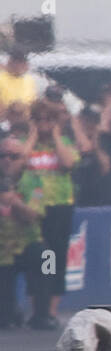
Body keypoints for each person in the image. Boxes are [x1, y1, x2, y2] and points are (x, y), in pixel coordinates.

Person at [22, 100, 79, 328]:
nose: (44, 124)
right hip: (32, 209)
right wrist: (33, 136)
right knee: (36, 258)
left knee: (54, 258)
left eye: (49, 120)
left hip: (59, 207)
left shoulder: (65, 143)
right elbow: (18, 163)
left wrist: (55, 136)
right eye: (39, 120)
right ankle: (37, 308)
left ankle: (51, 309)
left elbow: (67, 163)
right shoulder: (25, 144)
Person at [0, 135, 45, 328]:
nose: (7, 160)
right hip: (3, 247)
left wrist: (13, 201)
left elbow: (33, 214)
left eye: (14, 156)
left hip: (28, 244)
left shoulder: (35, 182)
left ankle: (42, 314)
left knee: (47, 258)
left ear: (23, 160)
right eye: (3, 155)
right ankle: (8, 313)